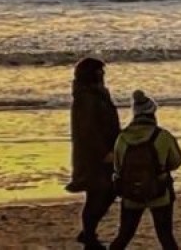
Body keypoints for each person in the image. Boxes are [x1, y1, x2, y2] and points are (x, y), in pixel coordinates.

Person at [109, 91, 181, 250]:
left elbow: (117, 167)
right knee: (166, 237)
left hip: (131, 194)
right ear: (153, 113)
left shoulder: (122, 138)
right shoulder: (162, 136)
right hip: (159, 193)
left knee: (124, 235)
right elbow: (177, 161)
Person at [68, 57, 121, 250]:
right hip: (94, 155)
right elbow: (88, 129)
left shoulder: (97, 94)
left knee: (104, 192)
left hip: (105, 150)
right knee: (100, 192)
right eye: (100, 71)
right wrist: (103, 153)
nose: (103, 74)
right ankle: (89, 235)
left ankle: (88, 234)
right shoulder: (87, 97)